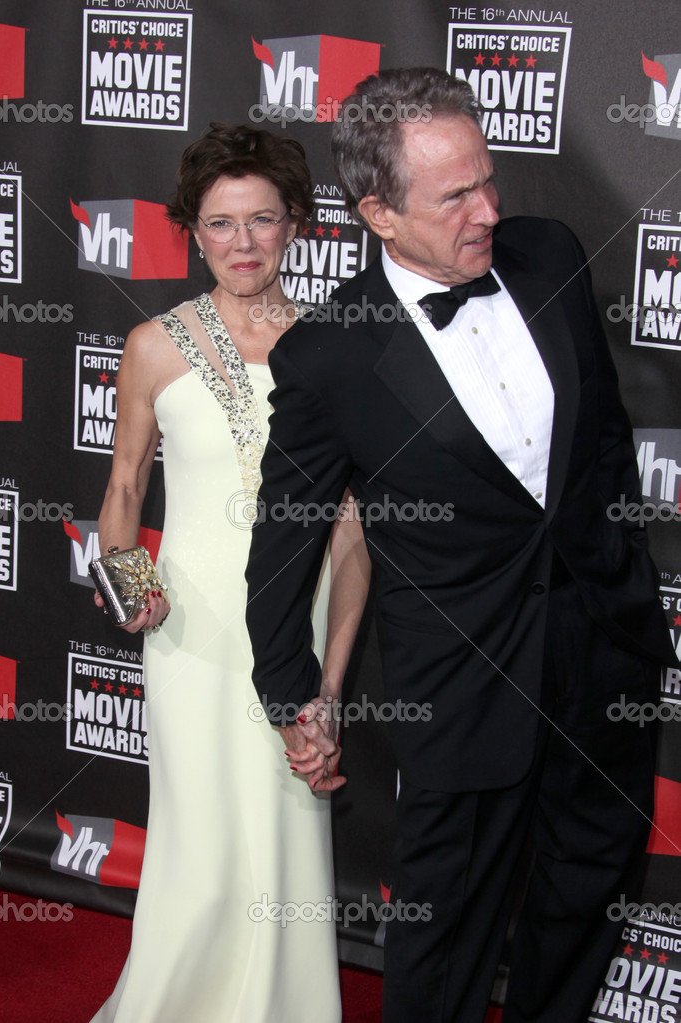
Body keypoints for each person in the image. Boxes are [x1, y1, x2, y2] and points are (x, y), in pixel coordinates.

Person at [245, 69, 677, 1023]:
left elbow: (604, 440)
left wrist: (624, 582)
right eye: (454, 197)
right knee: (446, 935)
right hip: (462, 683)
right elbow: (285, 541)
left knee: (588, 886)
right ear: (379, 214)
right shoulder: (329, 353)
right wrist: (292, 695)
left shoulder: (549, 253)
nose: (488, 210)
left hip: (602, 651)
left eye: (488, 180)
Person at [91, 123, 369, 1023]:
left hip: (296, 626)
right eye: (220, 222)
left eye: (262, 219)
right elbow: (124, 487)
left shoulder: (335, 348)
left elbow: (352, 538)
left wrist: (329, 686)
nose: (242, 243)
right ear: (193, 231)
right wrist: (132, 589)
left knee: (287, 827)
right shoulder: (153, 345)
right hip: (191, 631)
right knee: (201, 835)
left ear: (296, 224)